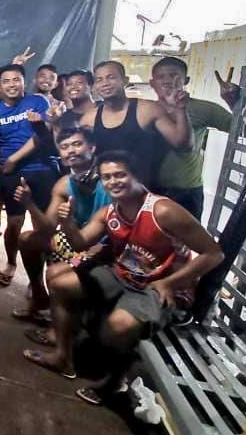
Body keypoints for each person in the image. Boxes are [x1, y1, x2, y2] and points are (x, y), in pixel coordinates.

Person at [23, 151, 223, 405]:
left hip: (159, 287)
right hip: (122, 275)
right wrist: (69, 223)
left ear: (137, 176)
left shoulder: (163, 210)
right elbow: (80, 243)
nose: (113, 181)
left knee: (118, 326)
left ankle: (115, 381)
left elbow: (214, 254)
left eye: (120, 175)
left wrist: (169, 283)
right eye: (107, 177)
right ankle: (63, 357)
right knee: (61, 284)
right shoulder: (110, 212)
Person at [11, 128, 111, 332]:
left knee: (57, 274)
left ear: (92, 148)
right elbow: (48, 228)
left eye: (77, 144)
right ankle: (39, 298)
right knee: (28, 239)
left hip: (103, 249)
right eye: (64, 147)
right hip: (75, 240)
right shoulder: (65, 184)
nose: (71, 150)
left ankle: (58, 332)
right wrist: (29, 203)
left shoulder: (110, 179)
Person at [0, 63, 56, 287]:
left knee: (43, 226)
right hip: (12, 174)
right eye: (6, 81)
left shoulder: (38, 101)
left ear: (24, 82)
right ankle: (11, 262)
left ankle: (40, 273)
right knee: (14, 224)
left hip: (40, 169)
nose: (12, 84)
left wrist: (14, 158)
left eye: (16, 79)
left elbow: (43, 135)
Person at [78, 60, 191, 188]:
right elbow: (79, 155)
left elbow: (182, 144)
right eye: (99, 80)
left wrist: (180, 109)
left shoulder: (148, 109)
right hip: (106, 192)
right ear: (94, 86)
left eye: (111, 77)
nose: (105, 83)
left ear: (125, 80)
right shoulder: (88, 119)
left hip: (144, 191)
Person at [149, 57, 233, 220]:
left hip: (186, 190)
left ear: (186, 80)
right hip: (149, 188)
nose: (167, 81)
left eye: (173, 75)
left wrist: (233, 102)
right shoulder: (144, 110)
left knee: (187, 242)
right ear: (152, 83)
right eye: (161, 77)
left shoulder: (204, 109)